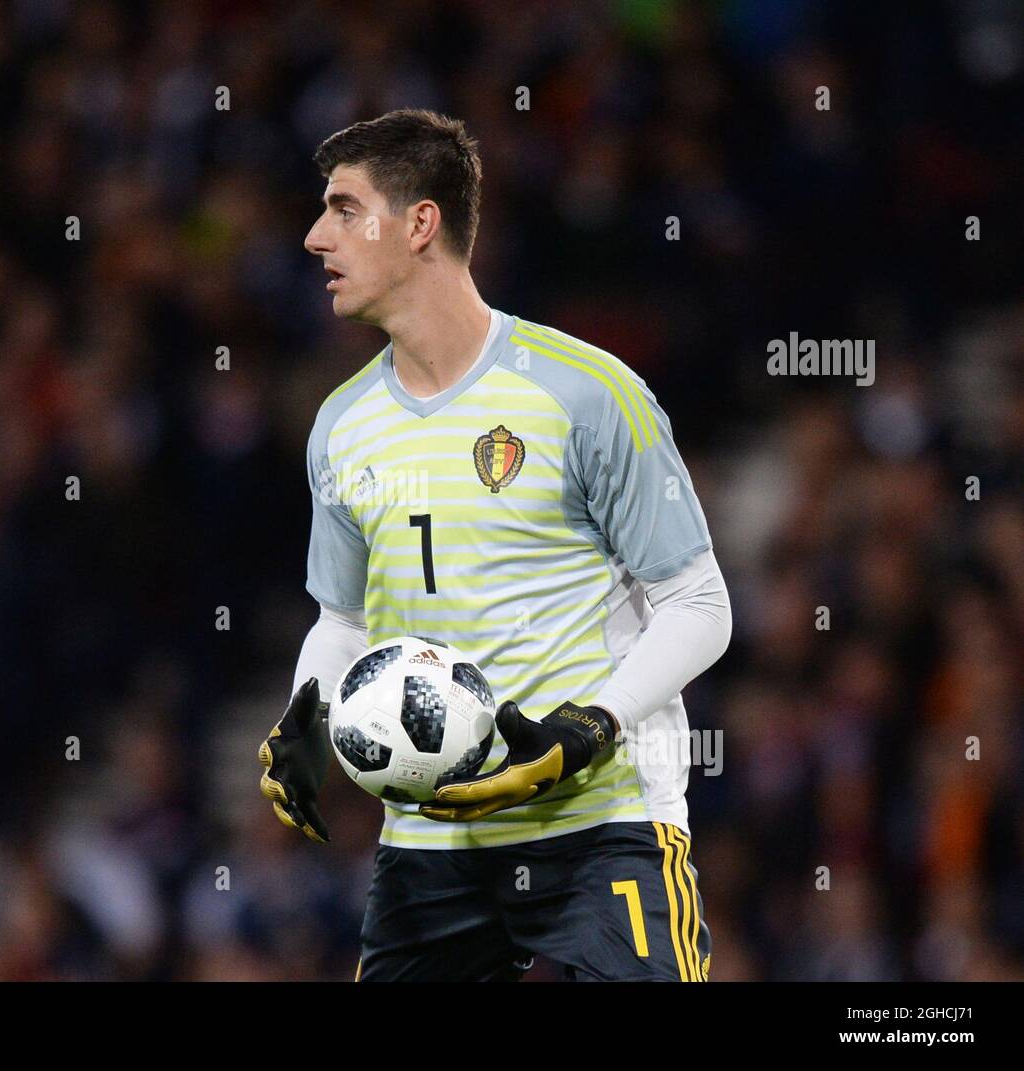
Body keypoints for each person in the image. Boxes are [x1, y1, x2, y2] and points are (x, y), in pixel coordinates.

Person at [259, 109, 731, 982]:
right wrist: (306, 712)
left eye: (343, 208)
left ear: (421, 223)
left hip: (603, 823)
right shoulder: (341, 427)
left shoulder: (587, 394)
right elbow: (340, 618)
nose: (314, 235)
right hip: (431, 841)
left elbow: (701, 605)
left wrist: (593, 726)